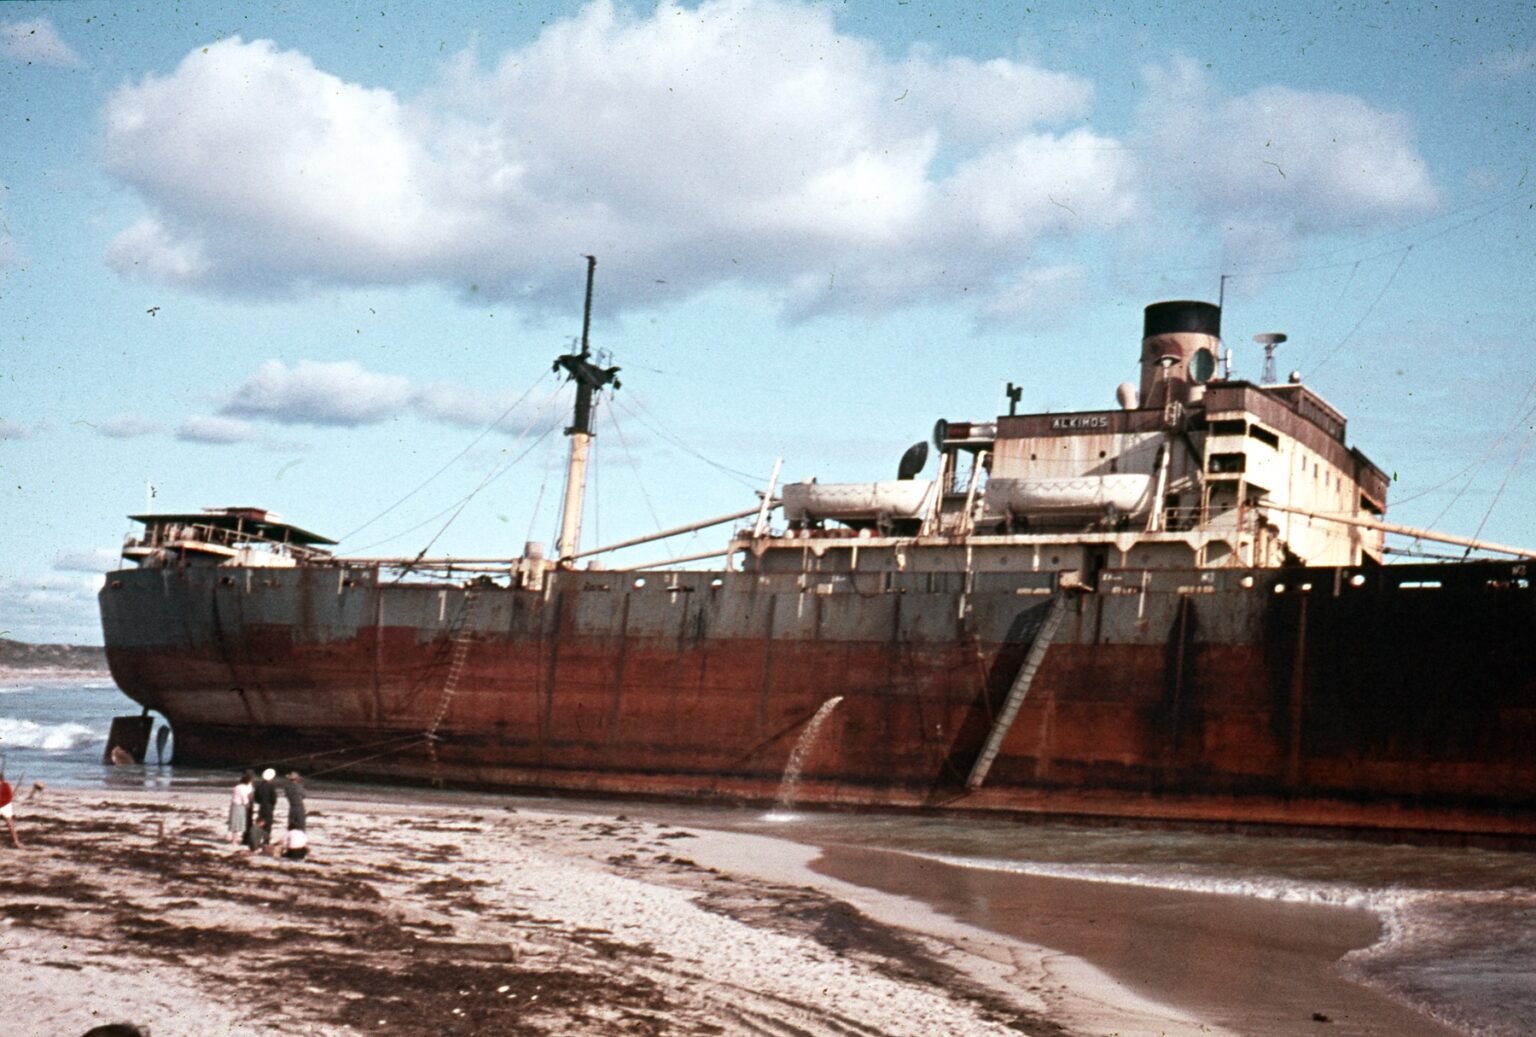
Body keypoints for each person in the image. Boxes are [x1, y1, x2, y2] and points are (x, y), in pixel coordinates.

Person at [248, 768, 278, 852]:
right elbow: (274, 798)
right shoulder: (271, 786)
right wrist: (272, 805)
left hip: (262, 806)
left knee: (260, 823)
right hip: (268, 807)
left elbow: (256, 798)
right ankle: (266, 841)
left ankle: (258, 840)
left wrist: (261, 802)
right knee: (268, 824)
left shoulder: (259, 786)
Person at [228, 770, 254, 845]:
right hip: (240, 806)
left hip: (234, 805)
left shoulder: (237, 787)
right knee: (237, 823)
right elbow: (244, 797)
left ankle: (234, 839)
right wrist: (247, 804)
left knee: (234, 823)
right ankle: (234, 840)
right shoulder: (243, 788)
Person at [0, 773, 20, 849]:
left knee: (10, 824)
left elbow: (9, 797)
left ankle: (16, 841)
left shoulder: (6, 785)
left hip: (6, 806)